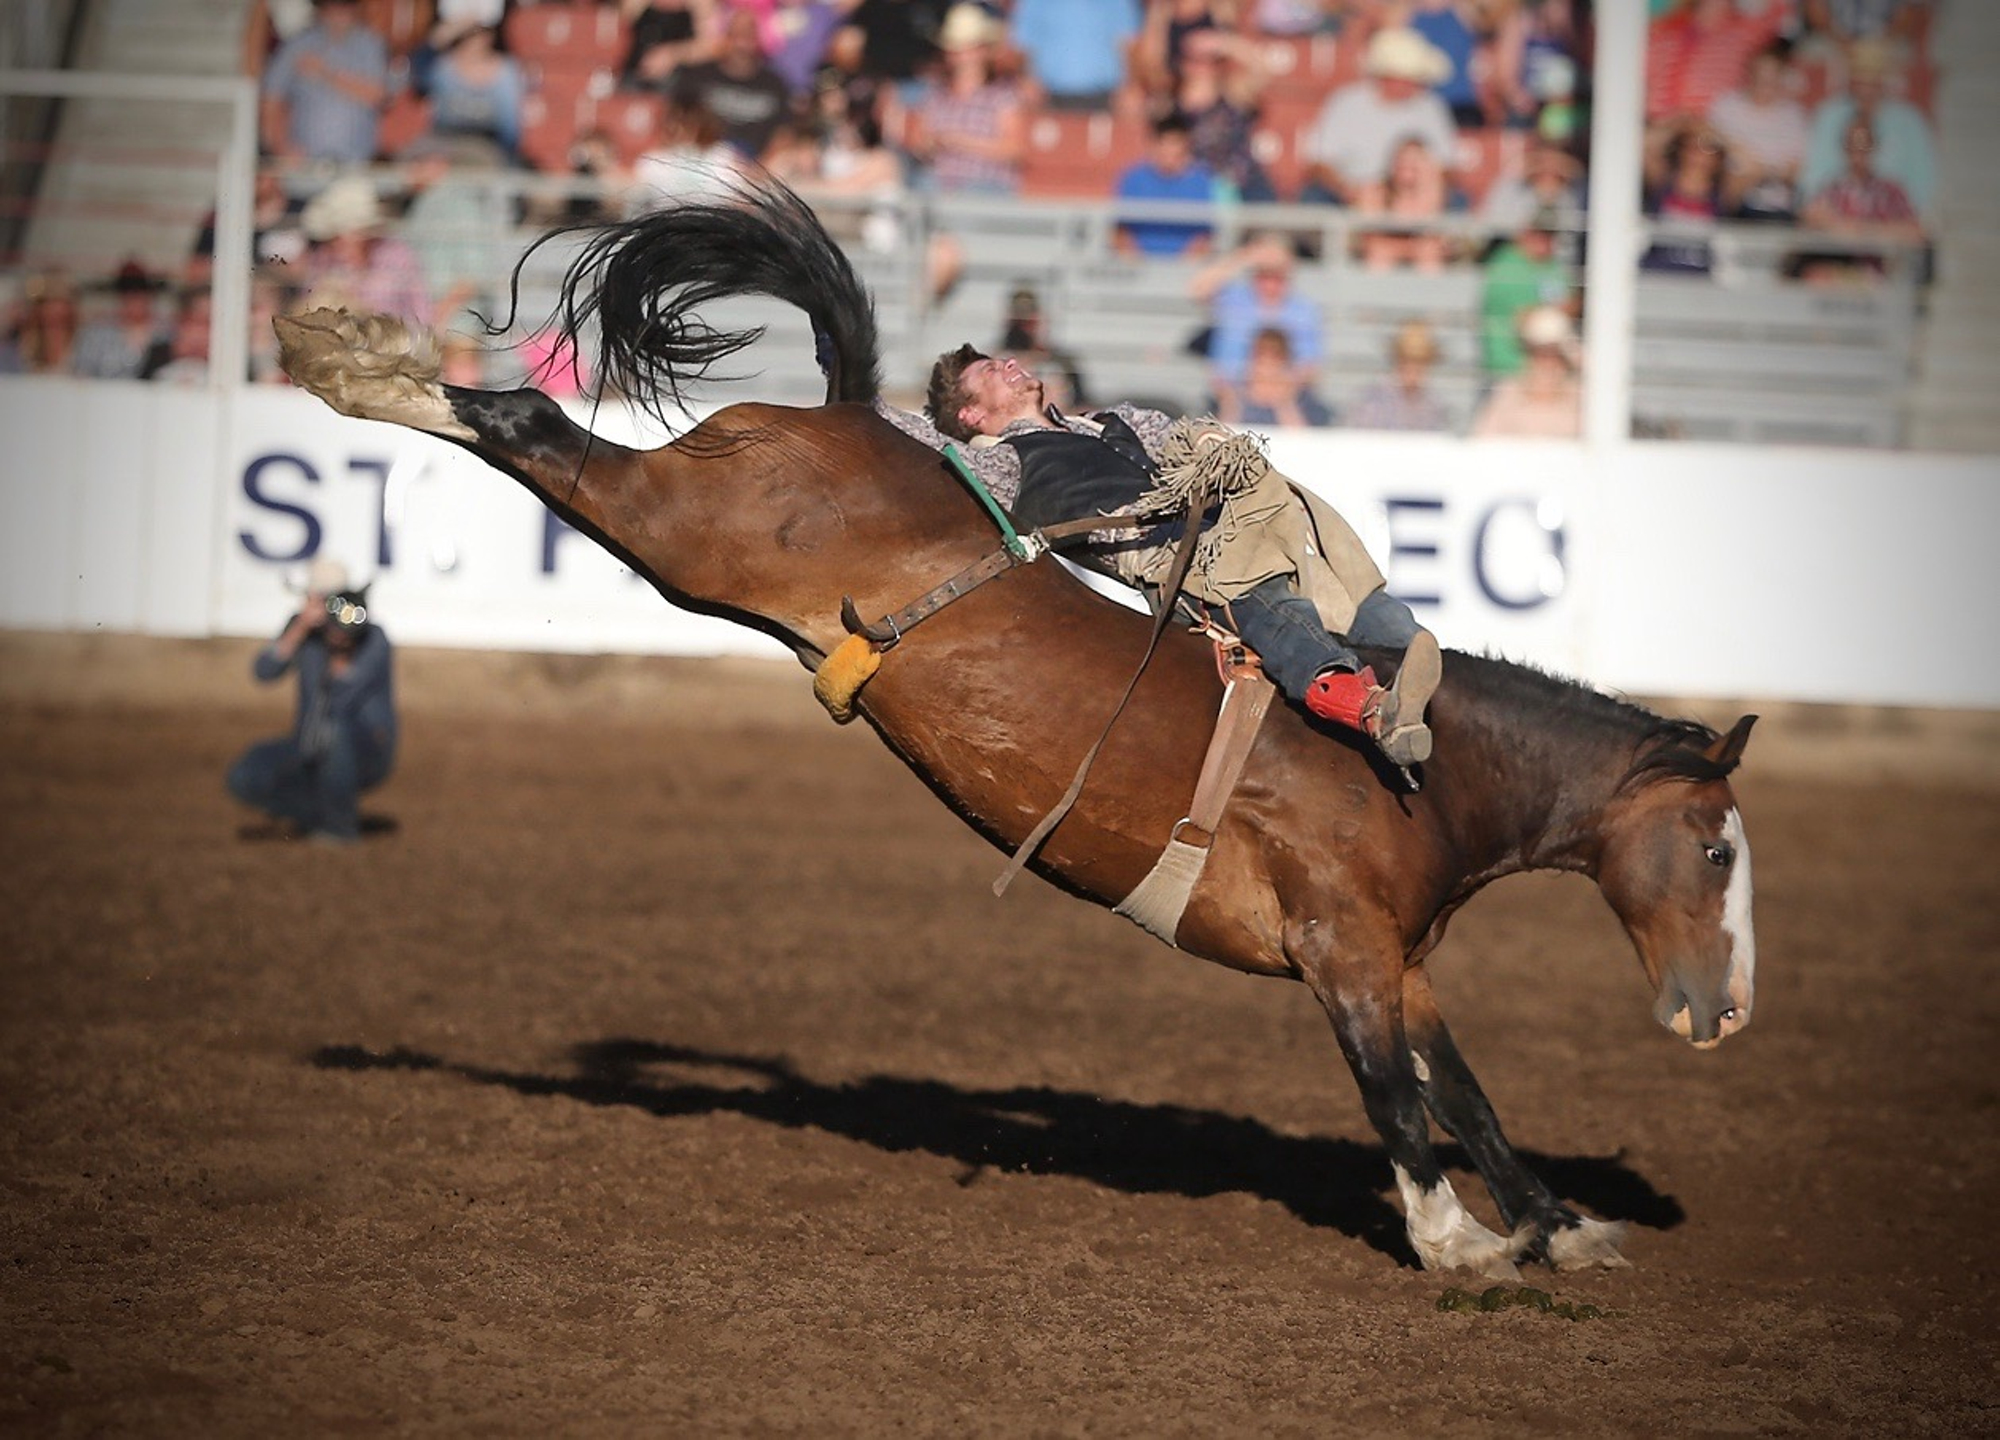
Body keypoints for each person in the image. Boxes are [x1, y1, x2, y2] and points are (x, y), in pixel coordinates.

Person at [875, 349, 1444, 767]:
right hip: (1179, 567)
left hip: (1242, 528)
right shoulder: (1002, 465)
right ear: (971, 417)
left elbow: (1181, 435)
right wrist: (854, 379)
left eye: (1004, 360)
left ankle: (1417, 667)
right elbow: (910, 438)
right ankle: (1368, 709)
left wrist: (1209, 446)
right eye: (990, 373)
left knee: (1363, 599)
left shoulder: (1116, 420)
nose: (1009, 365)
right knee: (1267, 604)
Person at [226, 557, 397, 845]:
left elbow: (342, 697)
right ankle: (319, 815)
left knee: (333, 731)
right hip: (309, 745)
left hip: (364, 750)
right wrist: (299, 630)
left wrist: (342, 641)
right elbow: (263, 671)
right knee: (245, 775)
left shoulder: (371, 638)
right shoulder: (305, 633)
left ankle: (340, 828)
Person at [1298, 26, 1459, 207]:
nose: (1409, 86)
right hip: (1350, 193)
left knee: (1457, 201)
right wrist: (1348, 190)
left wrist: (1419, 194)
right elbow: (1319, 163)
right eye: (1403, 78)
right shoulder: (1346, 103)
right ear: (1384, 76)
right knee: (1314, 198)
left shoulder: (1431, 108)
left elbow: (1447, 167)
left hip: (1413, 195)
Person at [1797, 37, 1936, 224]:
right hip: (1836, 217)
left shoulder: (1909, 120)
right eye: (1860, 79)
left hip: (1893, 221)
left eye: (1873, 80)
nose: (1866, 88)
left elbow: (1922, 184)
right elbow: (1813, 177)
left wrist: (1898, 223)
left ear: (1884, 81)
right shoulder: (1829, 115)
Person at [1190, 232, 1326, 423]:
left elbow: (1310, 366)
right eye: (1264, 275)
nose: (1270, 283)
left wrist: (1277, 388)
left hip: (1284, 396)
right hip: (1229, 392)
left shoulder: (1303, 311)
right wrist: (1246, 256)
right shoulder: (1234, 299)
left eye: (1277, 276)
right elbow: (1197, 290)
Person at [907, 4, 1027, 196]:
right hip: (938, 184)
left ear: (983, 51)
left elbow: (1015, 149)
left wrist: (960, 141)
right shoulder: (935, 95)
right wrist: (930, 144)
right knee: (918, 184)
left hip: (985, 185)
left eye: (967, 48)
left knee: (972, 193)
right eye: (955, 49)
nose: (961, 56)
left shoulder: (1002, 95)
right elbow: (918, 143)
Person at [259, 0, 391, 167]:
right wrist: (280, 146)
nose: (338, 12)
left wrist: (325, 73)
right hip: (303, 164)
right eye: (330, 6)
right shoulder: (297, 45)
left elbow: (377, 96)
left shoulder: (371, 44)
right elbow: (271, 99)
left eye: (344, 6)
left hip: (357, 163)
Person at [668, 7, 795, 162]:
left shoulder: (776, 84)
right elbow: (676, 118)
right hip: (701, 160)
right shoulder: (697, 76)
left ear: (758, 39)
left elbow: (784, 134)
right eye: (736, 34)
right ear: (725, 37)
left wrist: (761, 167)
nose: (742, 42)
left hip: (753, 165)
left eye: (748, 34)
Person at [1706, 38, 1810, 222]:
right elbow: (1709, 139)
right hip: (1732, 199)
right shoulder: (1728, 105)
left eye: (1772, 75)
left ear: (1782, 77)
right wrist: (1733, 148)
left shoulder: (1792, 115)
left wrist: (1760, 171)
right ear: (1749, 73)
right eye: (1760, 73)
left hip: (1775, 205)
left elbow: (1794, 171)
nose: (1765, 80)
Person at [1113, 111, 1218, 258]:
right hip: (1137, 266)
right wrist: (1137, 264)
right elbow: (1121, 232)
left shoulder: (1201, 181)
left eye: (1175, 143)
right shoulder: (1132, 178)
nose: (1169, 150)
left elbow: (1205, 236)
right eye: (1164, 143)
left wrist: (1183, 266)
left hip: (1187, 267)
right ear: (1154, 144)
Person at [1479, 207, 1569, 378]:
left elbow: (1568, 303)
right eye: (1539, 234)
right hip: (1509, 368)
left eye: (1550, 235)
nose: (1544, 240)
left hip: (1548, 369)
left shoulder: (1552, 265)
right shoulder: (1505, 266)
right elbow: (1524, 318)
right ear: (1526, 232)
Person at [1471, 303, 1580, 438]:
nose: (1548, 362)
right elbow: (1483, 440)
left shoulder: (1580, 398)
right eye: (1540, 352)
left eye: (1555, 353)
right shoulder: (1507, 394)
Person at [1011, 0, 1144, 111]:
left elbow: (1129, 46)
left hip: (1108, 98)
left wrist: (1131, 85)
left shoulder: (1119, 3)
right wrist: (1026, 80)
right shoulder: (1034, 3)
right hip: (1047, 98)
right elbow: (1022, 47)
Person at [1347, 320, 1455, 433]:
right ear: (1397, 360)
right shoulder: (1373, 398)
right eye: (1407, 360)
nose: (1414, 368)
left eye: (1421, 362)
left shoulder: (1433, 404)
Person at [1224, 327, 1335, 428]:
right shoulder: (1234, 394)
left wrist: (1284, 401)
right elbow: (1223, 436)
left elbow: (1305, 438)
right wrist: (1231, 403)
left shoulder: (1304, 398)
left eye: (1275, 355)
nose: (1267, 361)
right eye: (1261, 353)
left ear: (1286, 359)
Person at [74, 261, 167, 380]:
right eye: (127, 293)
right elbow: (81, 372)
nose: (134, 299)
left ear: (150, 295)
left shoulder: (166, 333)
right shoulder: (97, 332)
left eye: (140, 292)